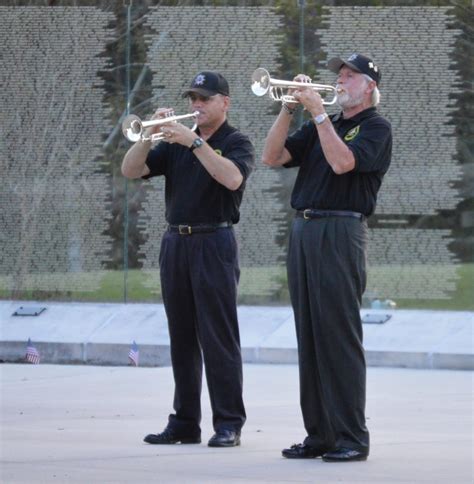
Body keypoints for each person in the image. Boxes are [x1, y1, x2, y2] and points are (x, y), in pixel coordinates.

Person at [261, 54, 392, 462]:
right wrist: (288, 107)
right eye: (339, 75)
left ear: (369, 86)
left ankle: (352, 436)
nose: (341, 81)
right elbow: (272, 156)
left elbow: (342, 163)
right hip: (304, 228)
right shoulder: (326, 123)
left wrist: (317, 114)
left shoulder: (375, 127)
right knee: (310, 336)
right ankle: (319, 434)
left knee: (338, 335)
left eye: (350, 76)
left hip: (340, 229)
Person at [122, 71, 255, 448]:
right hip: (175, 243)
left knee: (219, 338)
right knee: (181, 337)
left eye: (205, 99)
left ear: (224, 102)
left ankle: (229, 423)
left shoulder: (236, 141)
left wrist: (194, 142)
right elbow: (130, 171)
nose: (196, 105)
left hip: (214, 241)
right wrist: (148, 138)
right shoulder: (176, 143)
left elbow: (231, 179)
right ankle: (184, 421)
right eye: (192, 98)